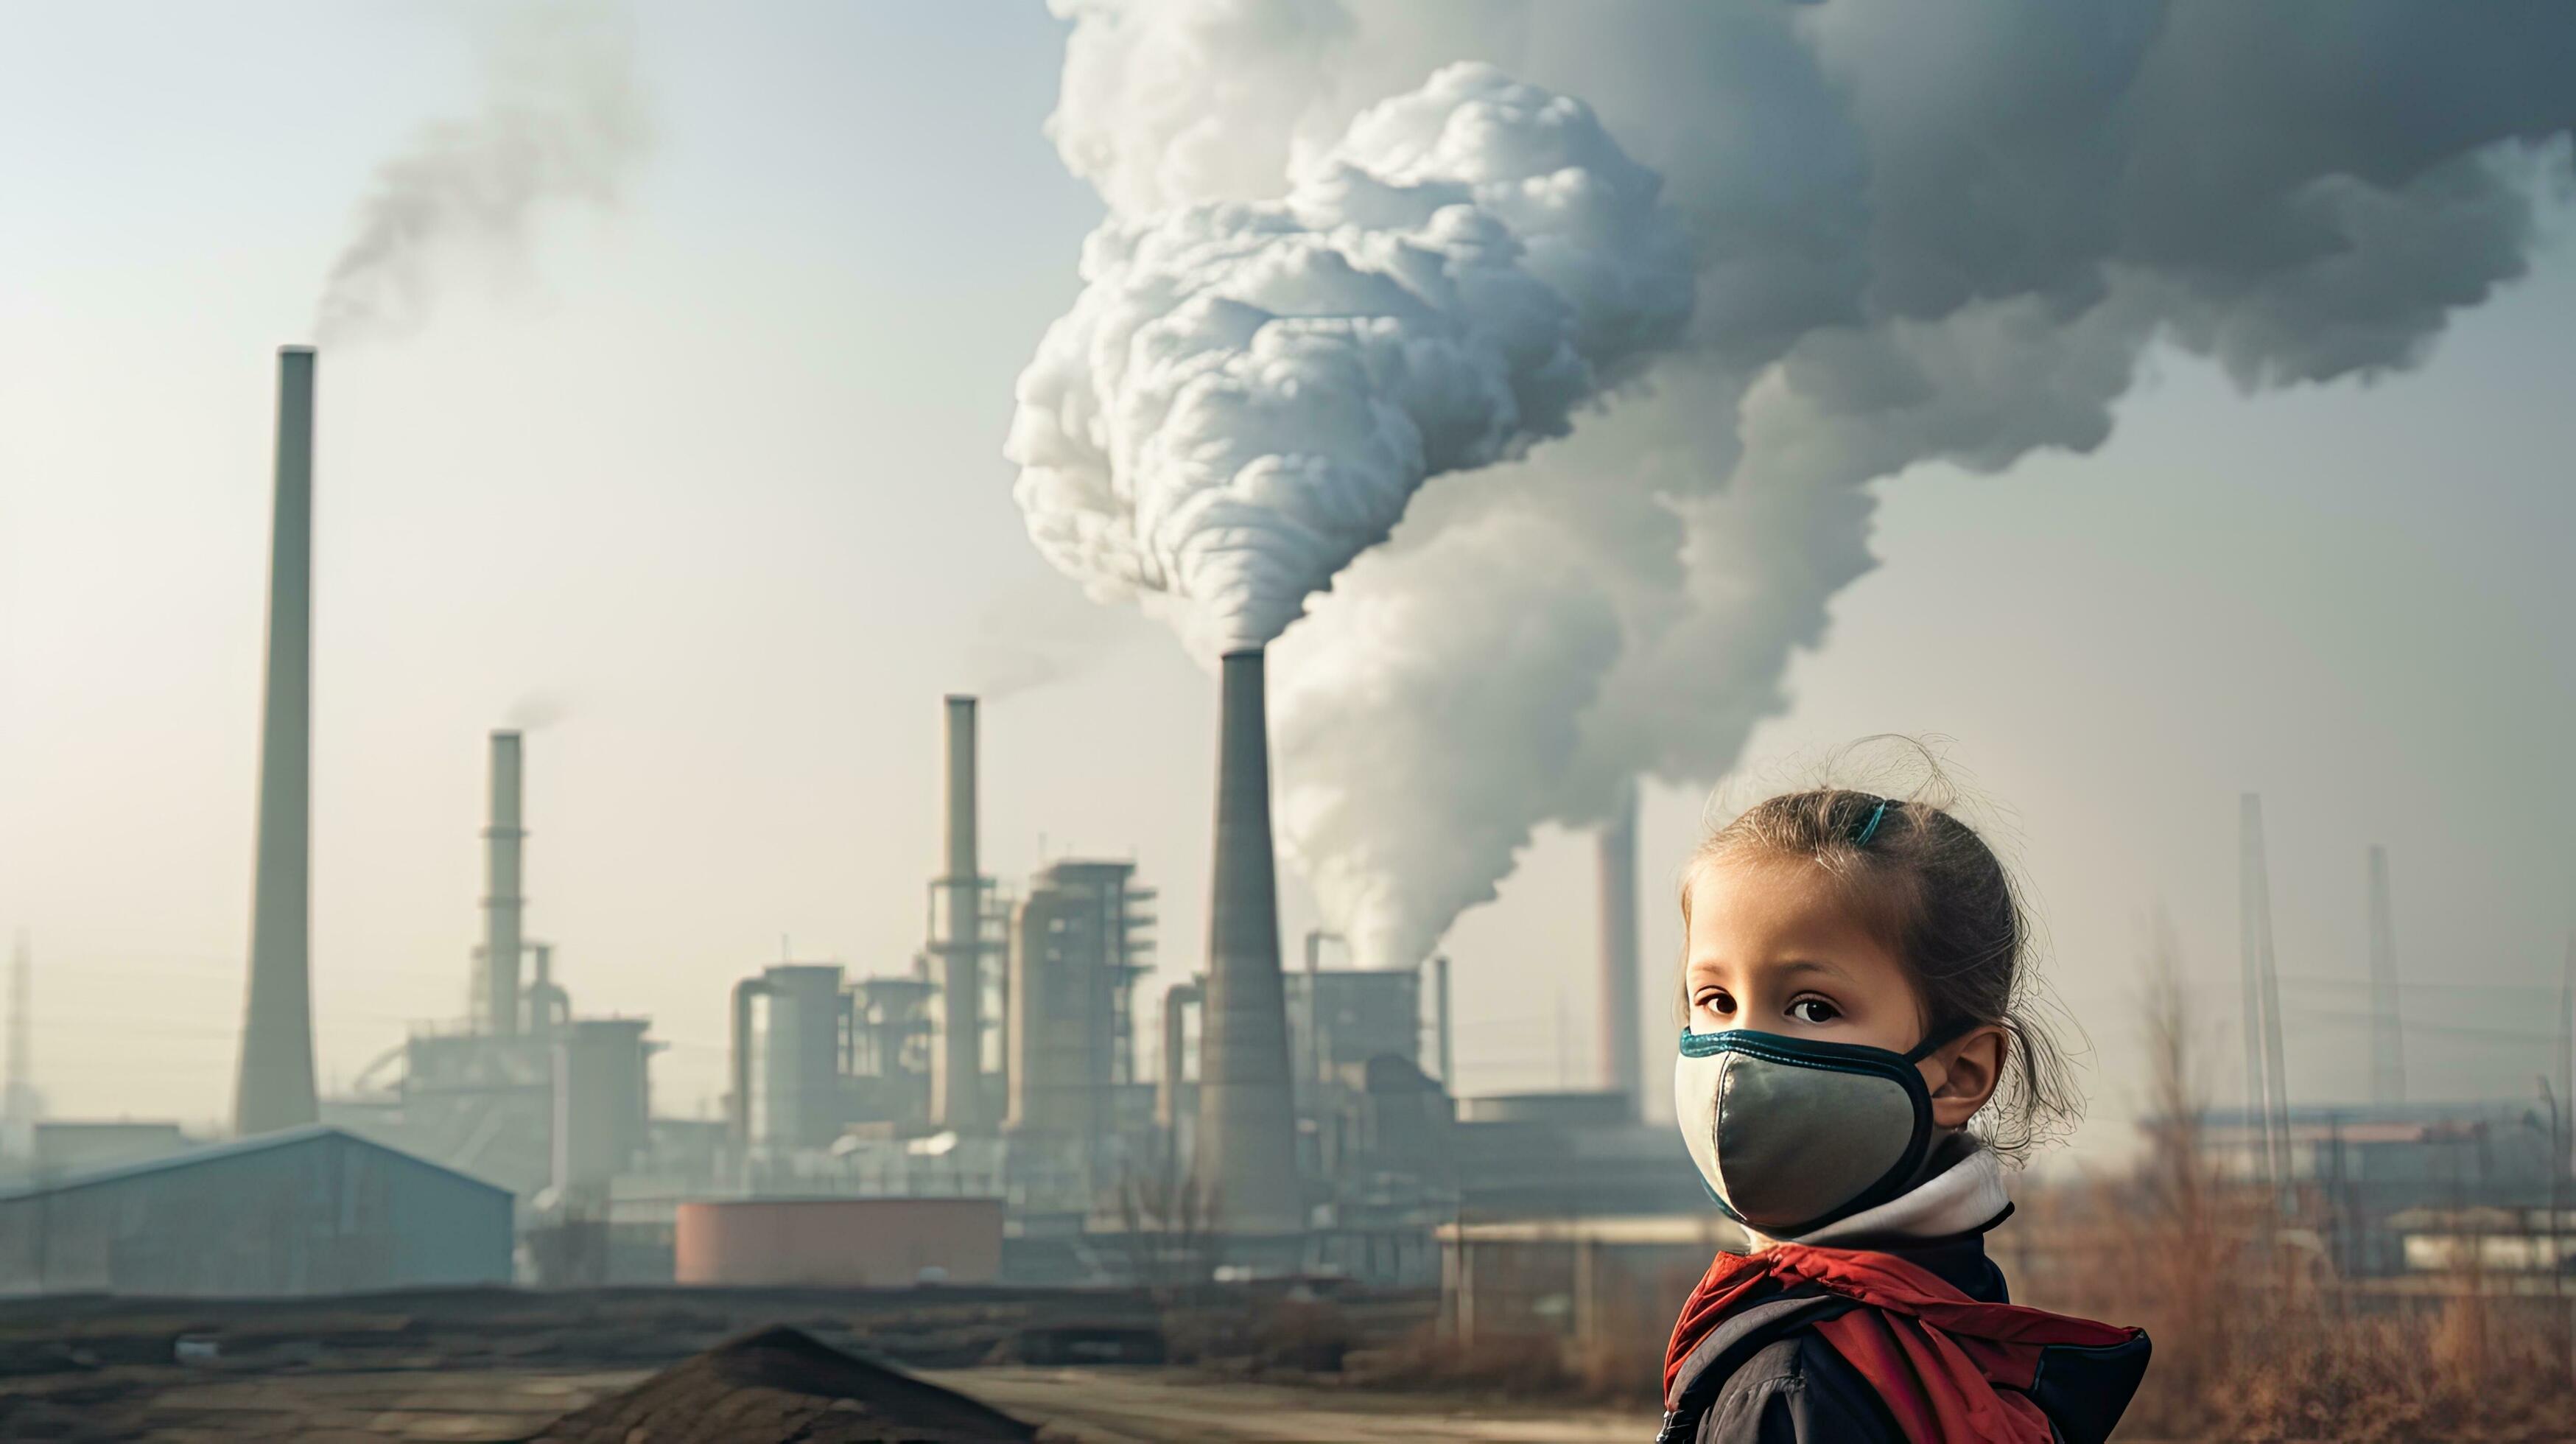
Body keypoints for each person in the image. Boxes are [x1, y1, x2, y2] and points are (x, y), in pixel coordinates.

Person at [1659, 782, 2150, 1443]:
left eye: (1812, 1007)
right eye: (1716, 1000)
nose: (1736, 1060)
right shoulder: (1971, 1320)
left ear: (1960, 1074)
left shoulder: (1792, 1385)